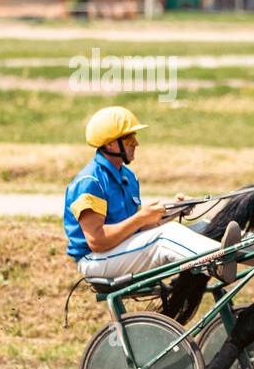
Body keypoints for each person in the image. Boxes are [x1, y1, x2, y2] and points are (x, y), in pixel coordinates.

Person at [64, 106, 239, 284]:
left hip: (120, 251)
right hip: (95, 260)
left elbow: (138, 229)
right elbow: (97, 241)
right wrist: (140, 218)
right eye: (128, 138)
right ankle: (219, 260)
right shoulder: (90, 182)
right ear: (110, 144)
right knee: (166, 235)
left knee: (208, 227)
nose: (136, 143)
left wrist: (174, 212)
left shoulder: (128, 177)